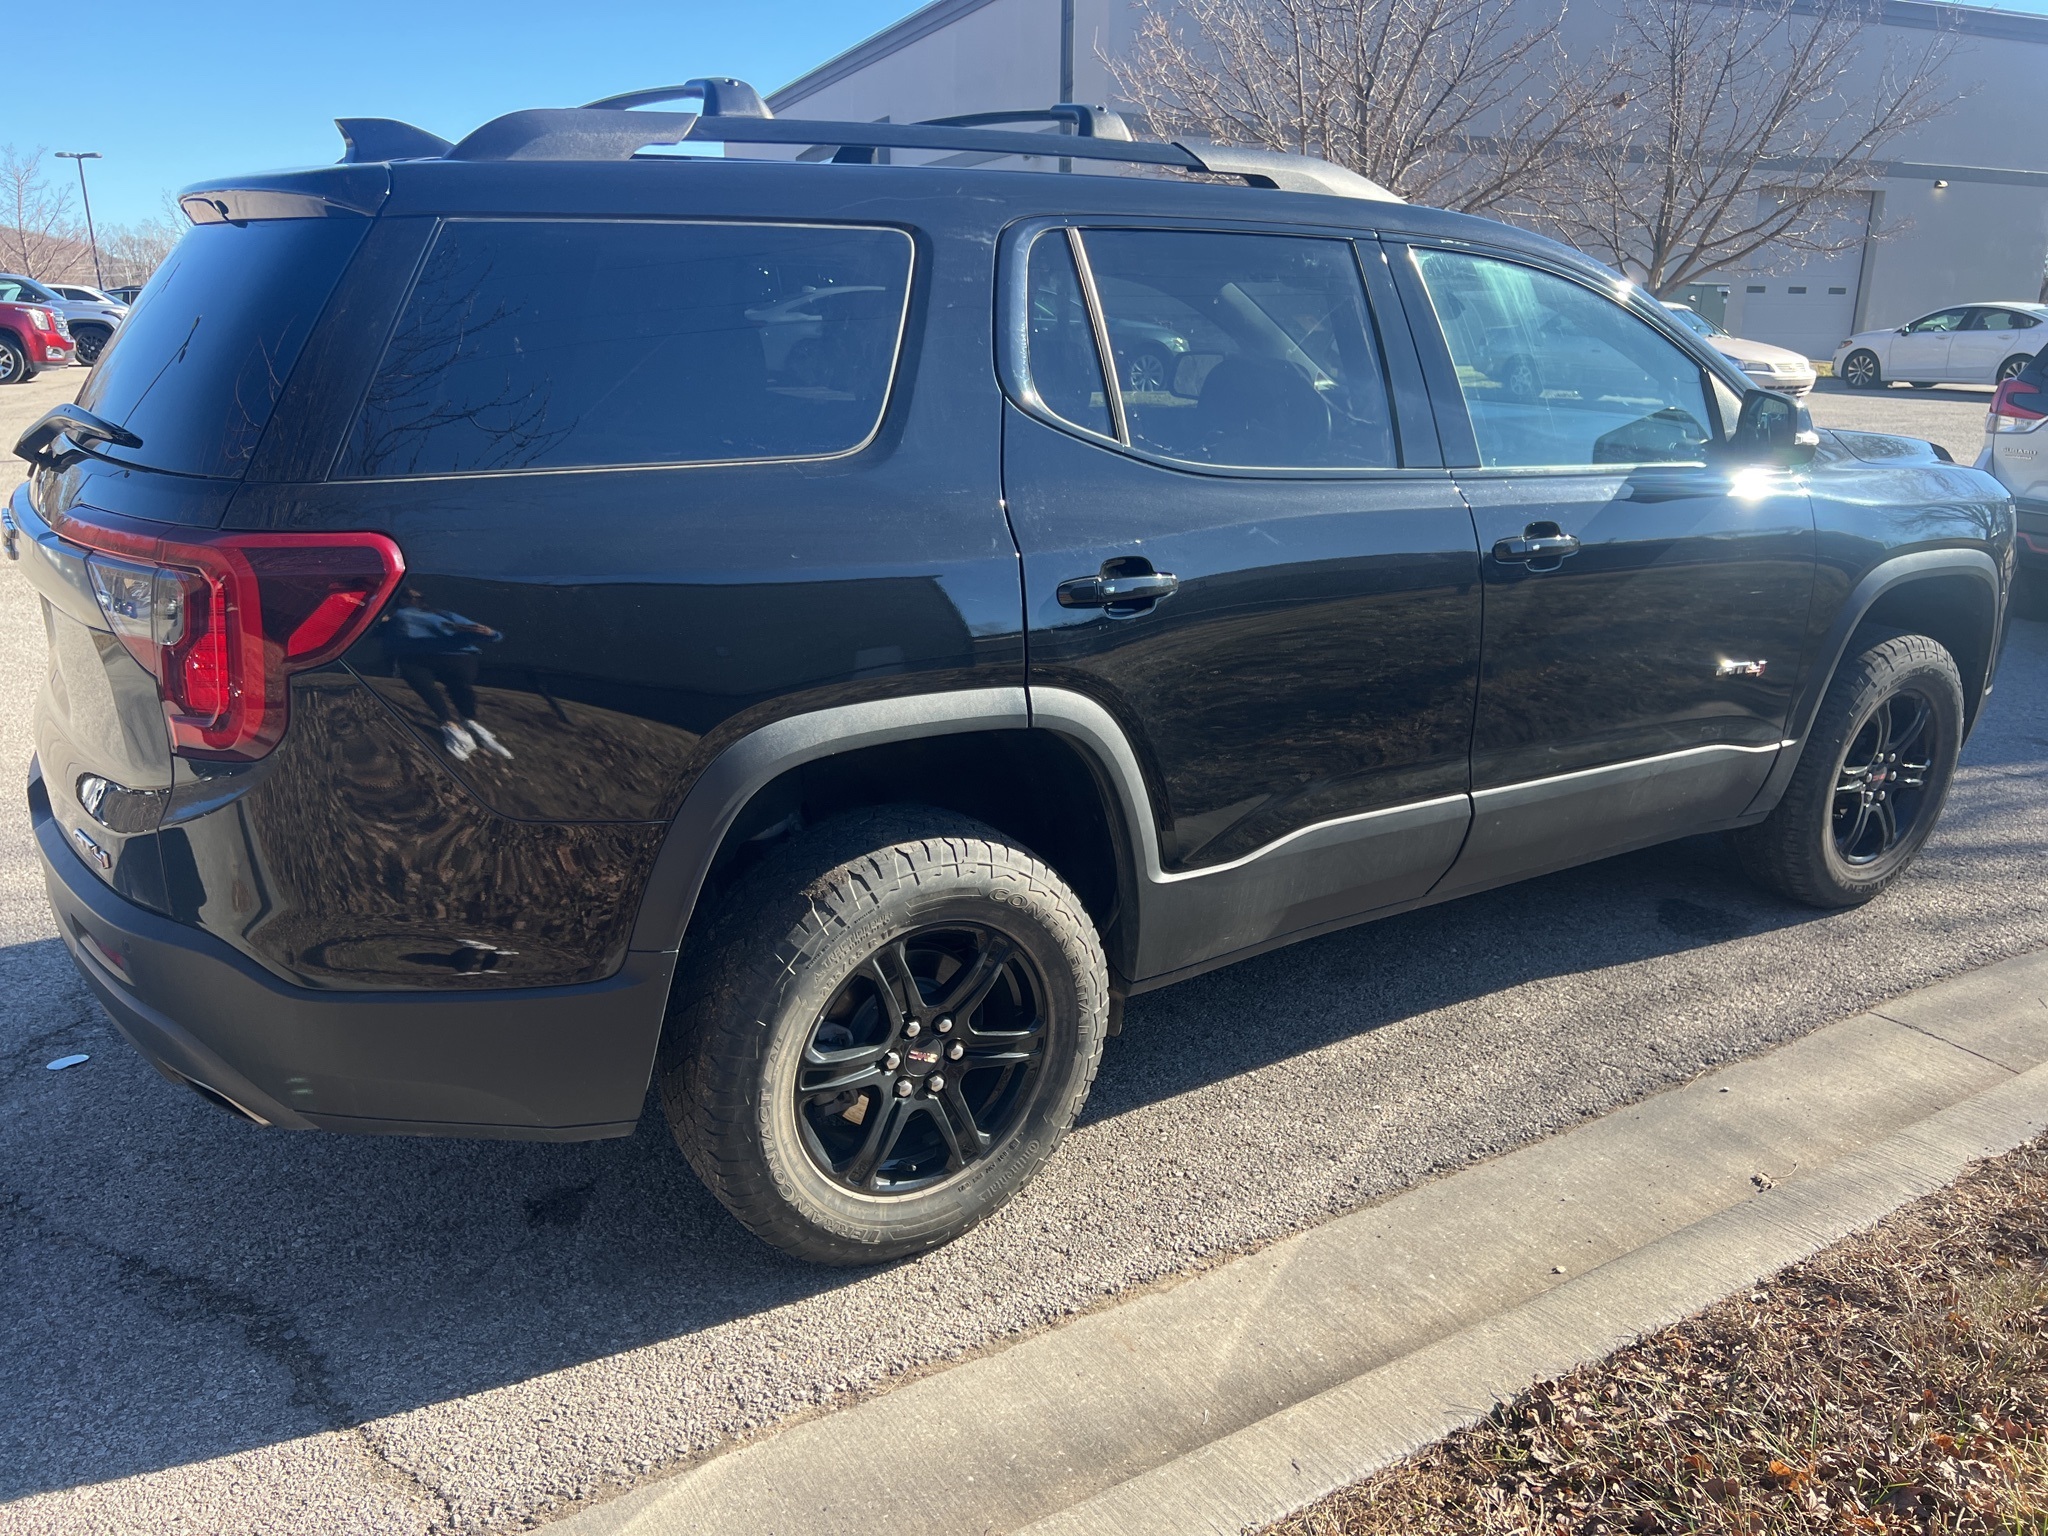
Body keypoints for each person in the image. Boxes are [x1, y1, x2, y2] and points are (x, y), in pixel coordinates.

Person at [381, 589, 513, 761]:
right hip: (413, 657)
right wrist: (382, 622)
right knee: (423, 684)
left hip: (454, 654)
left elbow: (492, 635)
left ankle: (471, 724)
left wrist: (488, 632)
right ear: (399, 599)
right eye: (407, 596)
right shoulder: (391, 616)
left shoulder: (443, 615)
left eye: (418, 596)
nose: (413, 599)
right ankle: (451, 727)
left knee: (460, 684)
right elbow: (373, 631)